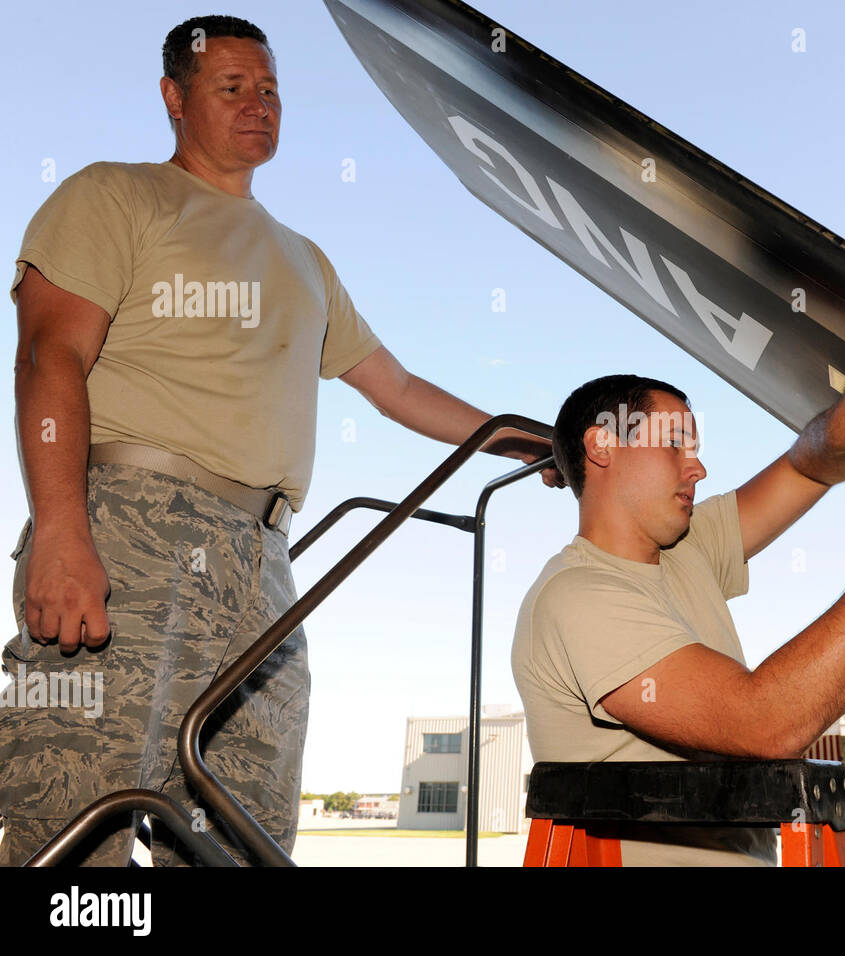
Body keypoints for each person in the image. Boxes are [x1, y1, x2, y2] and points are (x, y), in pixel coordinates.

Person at [0, 14, 558, 867]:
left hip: (264, 561)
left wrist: (524, 440)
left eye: (270, 89)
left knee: (244, 830)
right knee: (81, 809)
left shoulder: (305, 259)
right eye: (232, 88)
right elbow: (48, 357)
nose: (259, 104)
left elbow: (397, 389)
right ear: (173, 99)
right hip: (129, 528)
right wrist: (64, 536)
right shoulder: (114, 194)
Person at [512, 371, 845, 865]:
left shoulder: (688, 548)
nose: (697, 468)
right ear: (603, 445)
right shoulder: (579, 596)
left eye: (696, 450)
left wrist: (844, 428)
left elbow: (807, 467)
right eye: (675, 444)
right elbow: (764, 723)